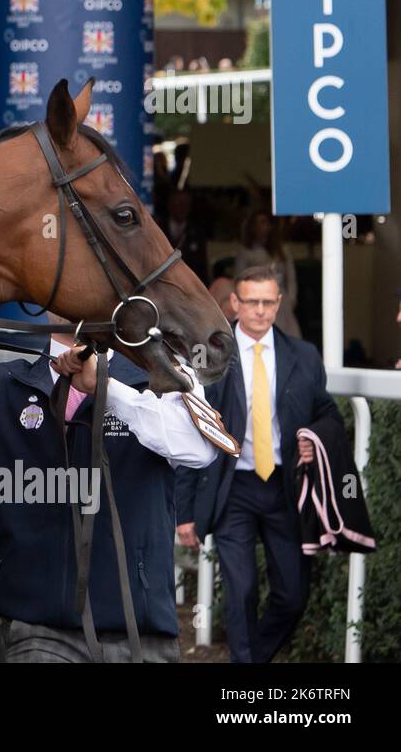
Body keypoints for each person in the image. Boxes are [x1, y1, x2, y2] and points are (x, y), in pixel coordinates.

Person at [0, 315, 217, 662]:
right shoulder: (0, 385)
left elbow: (199, 448)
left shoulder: (165, 376)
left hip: (141, 631)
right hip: (41, 631)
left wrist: (107, 389)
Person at [175, 266, 344, 663]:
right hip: (233, 489)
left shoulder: (303, 355)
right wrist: (184, 513)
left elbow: (328, 414)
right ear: (235, 303)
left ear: (279, 303)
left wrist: (313, 439)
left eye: (269, 302)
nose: (260, 311)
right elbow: (189, 434)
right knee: (242, 590)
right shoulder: (210, 357)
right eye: (252, 302)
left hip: (285, 488)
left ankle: (253, 657)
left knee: (292, 594)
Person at [234, 210, 300, 339]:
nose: (262, 227)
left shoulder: (282, 250)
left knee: (286, 336)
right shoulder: (246, 251)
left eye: (265, 222)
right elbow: (238, 278)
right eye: (258, 223)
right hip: (256, 299)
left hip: (282, 300)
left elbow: (291, 277)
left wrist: (292, 298)